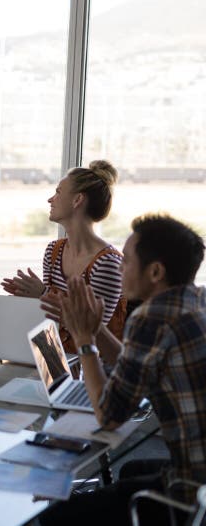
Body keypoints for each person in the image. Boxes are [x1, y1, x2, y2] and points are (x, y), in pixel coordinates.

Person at [36, 214, 206, 526]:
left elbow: (108, 415)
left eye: (126, 261)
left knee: (53, 518)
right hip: (198, 471)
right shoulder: (196, 300)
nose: (120, 267)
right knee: (129, 471)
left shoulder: (152, 318)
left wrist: (84, 339)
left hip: (191, 489)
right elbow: (134, 360)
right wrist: (97, 327)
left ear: (155, 271)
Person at [2, 160, 124, 359]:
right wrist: (29, 301)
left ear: (77, 200)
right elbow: (51, 322)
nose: (51, 199)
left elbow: (93, 333)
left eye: (58, 192)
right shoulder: (54, 251)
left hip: (94, 370)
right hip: (57, 361)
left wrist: (42, 294)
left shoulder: (107, 264)